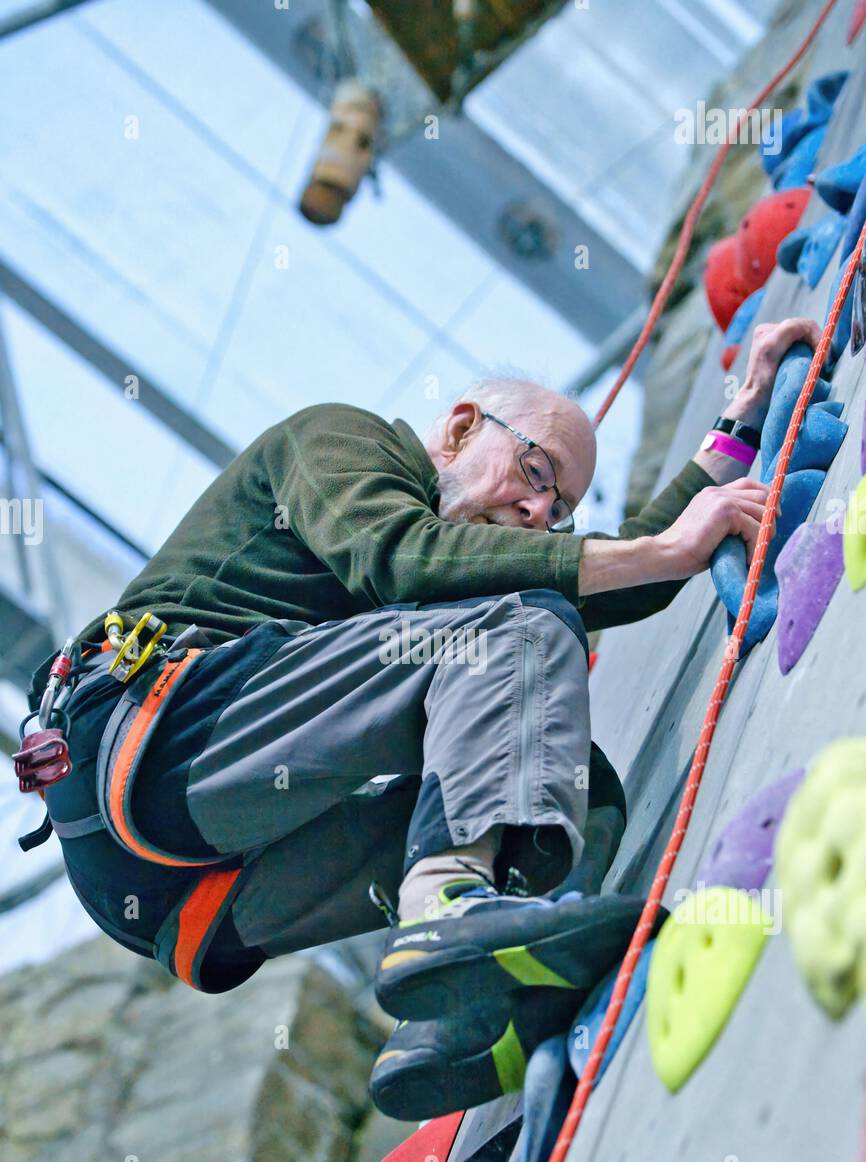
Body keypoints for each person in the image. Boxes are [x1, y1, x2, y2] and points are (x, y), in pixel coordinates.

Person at [24, 317, 819, 1116]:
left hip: (187, 898)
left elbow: (631, 572)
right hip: (151, 742)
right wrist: (661, 553)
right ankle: (446, 910)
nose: (541, 511)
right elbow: (406, 562)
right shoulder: (340, 441)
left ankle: (474, 1018)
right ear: (463, 426)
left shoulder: (463, 566)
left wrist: (741, 416)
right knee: (513, 628)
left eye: (559, 507)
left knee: (566, 783)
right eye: (535, 471)